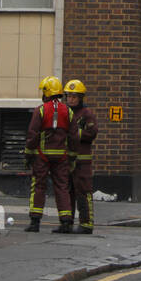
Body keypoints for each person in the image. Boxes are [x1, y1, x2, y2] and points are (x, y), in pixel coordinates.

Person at [24, 75, 74, 233]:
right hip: (62, 157)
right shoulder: (68, 111)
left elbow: (33, 134)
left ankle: (35, 222)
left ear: (47, 92)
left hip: (42, 156)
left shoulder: (41, 110)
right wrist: (72, 157)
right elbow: (73, 136)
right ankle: (66, 221)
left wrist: (28, 154)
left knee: (38, 187)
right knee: (62, 187)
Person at [65, 79, 98, 234]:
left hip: (82, 161)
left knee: (83, 192)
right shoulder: (65, 113)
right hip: (66, 161)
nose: (70, 99)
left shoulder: (86, 114)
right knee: (67, 192)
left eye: (74, 97)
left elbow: (91, 133)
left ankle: (86, 224)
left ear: (81, 98)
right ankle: (67, 222)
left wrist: (75, 133)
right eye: (68, 96)